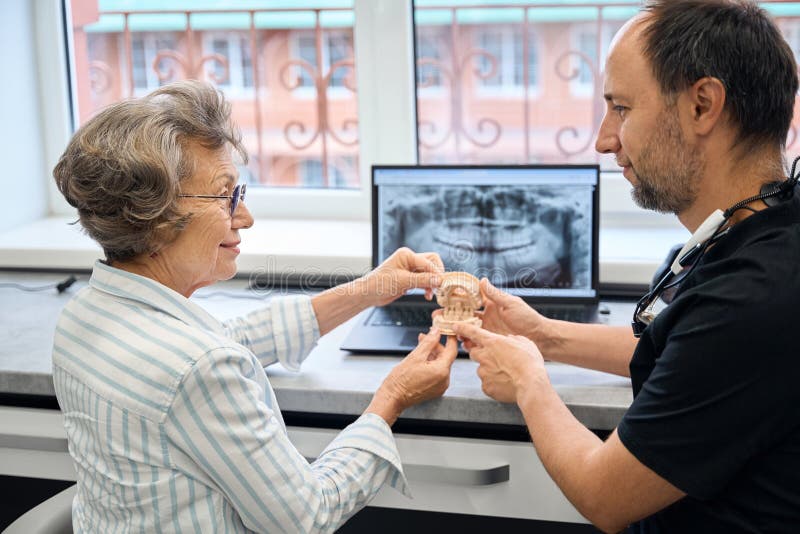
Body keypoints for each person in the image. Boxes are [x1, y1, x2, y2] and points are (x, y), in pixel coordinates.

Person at [451, 0, 800, 531]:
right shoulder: (758, 226)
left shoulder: (754, 298)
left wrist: (527, 380)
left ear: (703, 106)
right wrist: (543, 335)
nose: (603, 140)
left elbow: (603, 495)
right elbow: (689, 351)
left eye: (621, 108)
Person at [51, 80, 457, 533]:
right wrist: (392, 397)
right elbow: (308, 516)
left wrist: (367, 290)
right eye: (228, 196)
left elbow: (225, 343)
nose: (245, 217)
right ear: (158, 217)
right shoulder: (197, 369)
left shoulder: (83, 316)